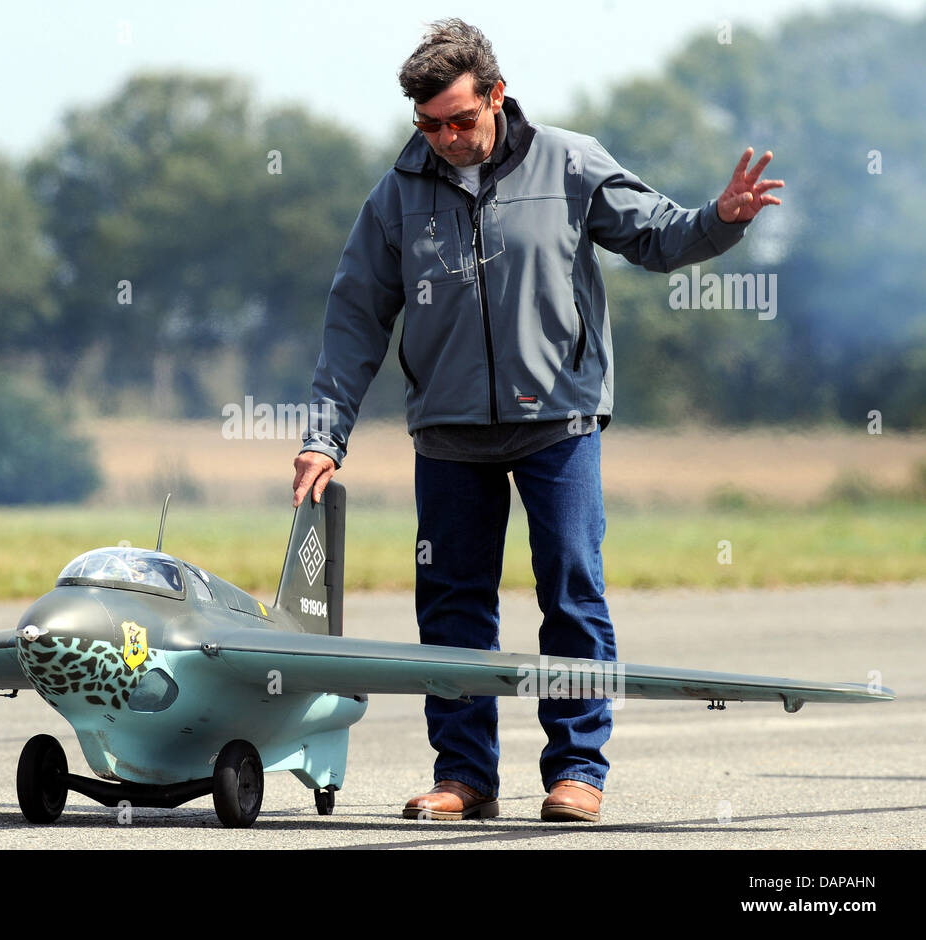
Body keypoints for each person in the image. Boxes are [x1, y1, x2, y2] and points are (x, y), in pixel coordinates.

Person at [290, 18, 782, 822]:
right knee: (451, 608)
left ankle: (578, 771)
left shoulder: (570, 161)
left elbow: (658, 237)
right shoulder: (395, 196)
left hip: (558, 423)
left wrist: (721, 219)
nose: (446, 137)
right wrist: (324, 435)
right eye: (429, 124)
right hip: (447, 432)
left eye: (461, 119)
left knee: (571, 592)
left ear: (497, 94)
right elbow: (354, 323)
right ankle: (464, 776)